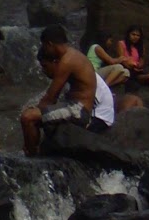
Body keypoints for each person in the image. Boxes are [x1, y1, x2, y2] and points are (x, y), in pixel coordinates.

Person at [20, 25, 113, 156]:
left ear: (50, 44)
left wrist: (35, 112)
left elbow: (51, 96)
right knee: (34, 115)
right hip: (78, 107)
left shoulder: (67, 61)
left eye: (45, 47)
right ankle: (36, 151)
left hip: (78, 109)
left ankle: (31, 155)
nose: (45, 51)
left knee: (28, 117)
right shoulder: (72, 55)